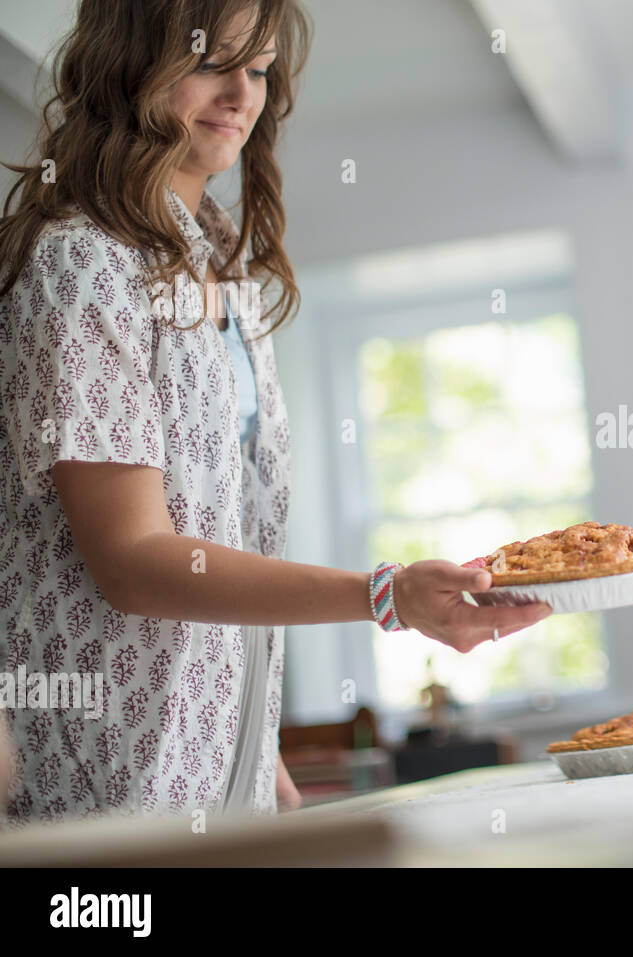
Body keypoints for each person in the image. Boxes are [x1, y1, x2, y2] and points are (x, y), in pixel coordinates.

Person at [0, 0, 550, 828]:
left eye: (258, 70)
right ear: (130, 66)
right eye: (213, 63)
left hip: (217, 780)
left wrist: (261, 757)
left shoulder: (224, 270)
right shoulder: (83, 263)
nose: (243, 96)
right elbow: (134, 559)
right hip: (113, 787)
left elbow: (224, 543)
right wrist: (388, 595)